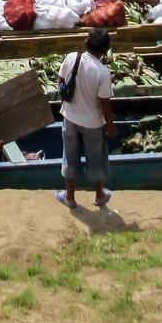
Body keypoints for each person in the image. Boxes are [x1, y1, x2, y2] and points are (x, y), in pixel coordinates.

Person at [56, 28, 116, 210]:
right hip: (92, 123)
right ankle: (99, 195)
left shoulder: (71, 57)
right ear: (105, 51)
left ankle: (70, 197)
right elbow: (104, 103)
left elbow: (60, 83)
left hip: (70, 118)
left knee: (70, 156)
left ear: (86, 43)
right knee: (96, 158)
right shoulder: (102, 72)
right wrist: (111, 126)